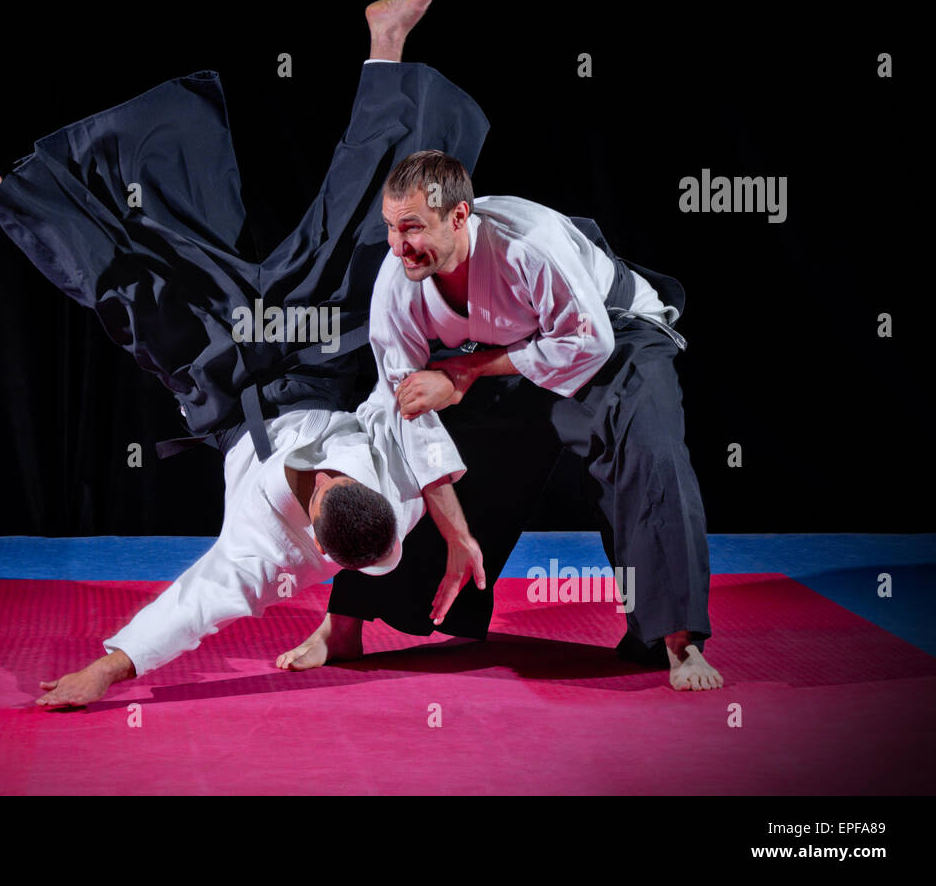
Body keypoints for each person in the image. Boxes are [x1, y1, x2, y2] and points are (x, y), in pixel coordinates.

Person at [0, 0, 492, 707]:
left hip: (223, 394)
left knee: (129, 295)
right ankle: (385, 44)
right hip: (311, 355)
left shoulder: (277, 545)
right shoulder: (362, 498)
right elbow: (417, 427)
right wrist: (461, 537)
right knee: (349, 232)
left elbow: (197, 602)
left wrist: (110, 666)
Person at [281, 150, 724, 691]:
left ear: (460, 217)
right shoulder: (396, 288)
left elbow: (589, 342)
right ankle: (344, 625)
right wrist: (457, 533)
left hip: (612, 335)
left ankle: (678, 641)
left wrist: (465, 371)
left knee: (648, 446)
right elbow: (409, 420)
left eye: (414, 227)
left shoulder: (529, 245)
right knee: (400, 438)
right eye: (392, 228)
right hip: (505, 351)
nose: (399, 246)